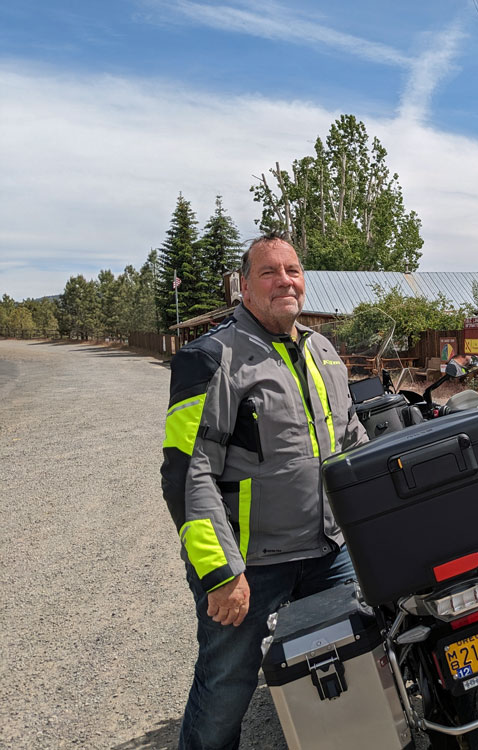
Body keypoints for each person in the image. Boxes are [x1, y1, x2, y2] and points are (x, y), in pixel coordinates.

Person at [160, 234, 368, 750]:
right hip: (251, 564)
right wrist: (221, 573)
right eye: (269, 272)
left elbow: (353, 441)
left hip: (328, 553)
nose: (285, 281)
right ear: (245, 287)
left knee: (350, 672)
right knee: (227, 686)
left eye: (293, 270)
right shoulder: (212, 358)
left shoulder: (323, 350)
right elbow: (188, 475)